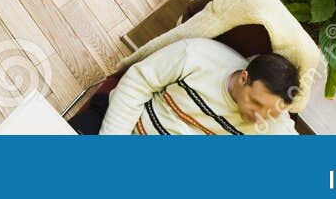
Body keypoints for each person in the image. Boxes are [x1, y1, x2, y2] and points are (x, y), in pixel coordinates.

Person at [97, 44, 299, 135]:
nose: (260, 117)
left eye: (271, 113)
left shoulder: (272, 124)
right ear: (243, 78)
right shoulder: (196, 55)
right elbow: (136, 82)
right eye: (256, 103)